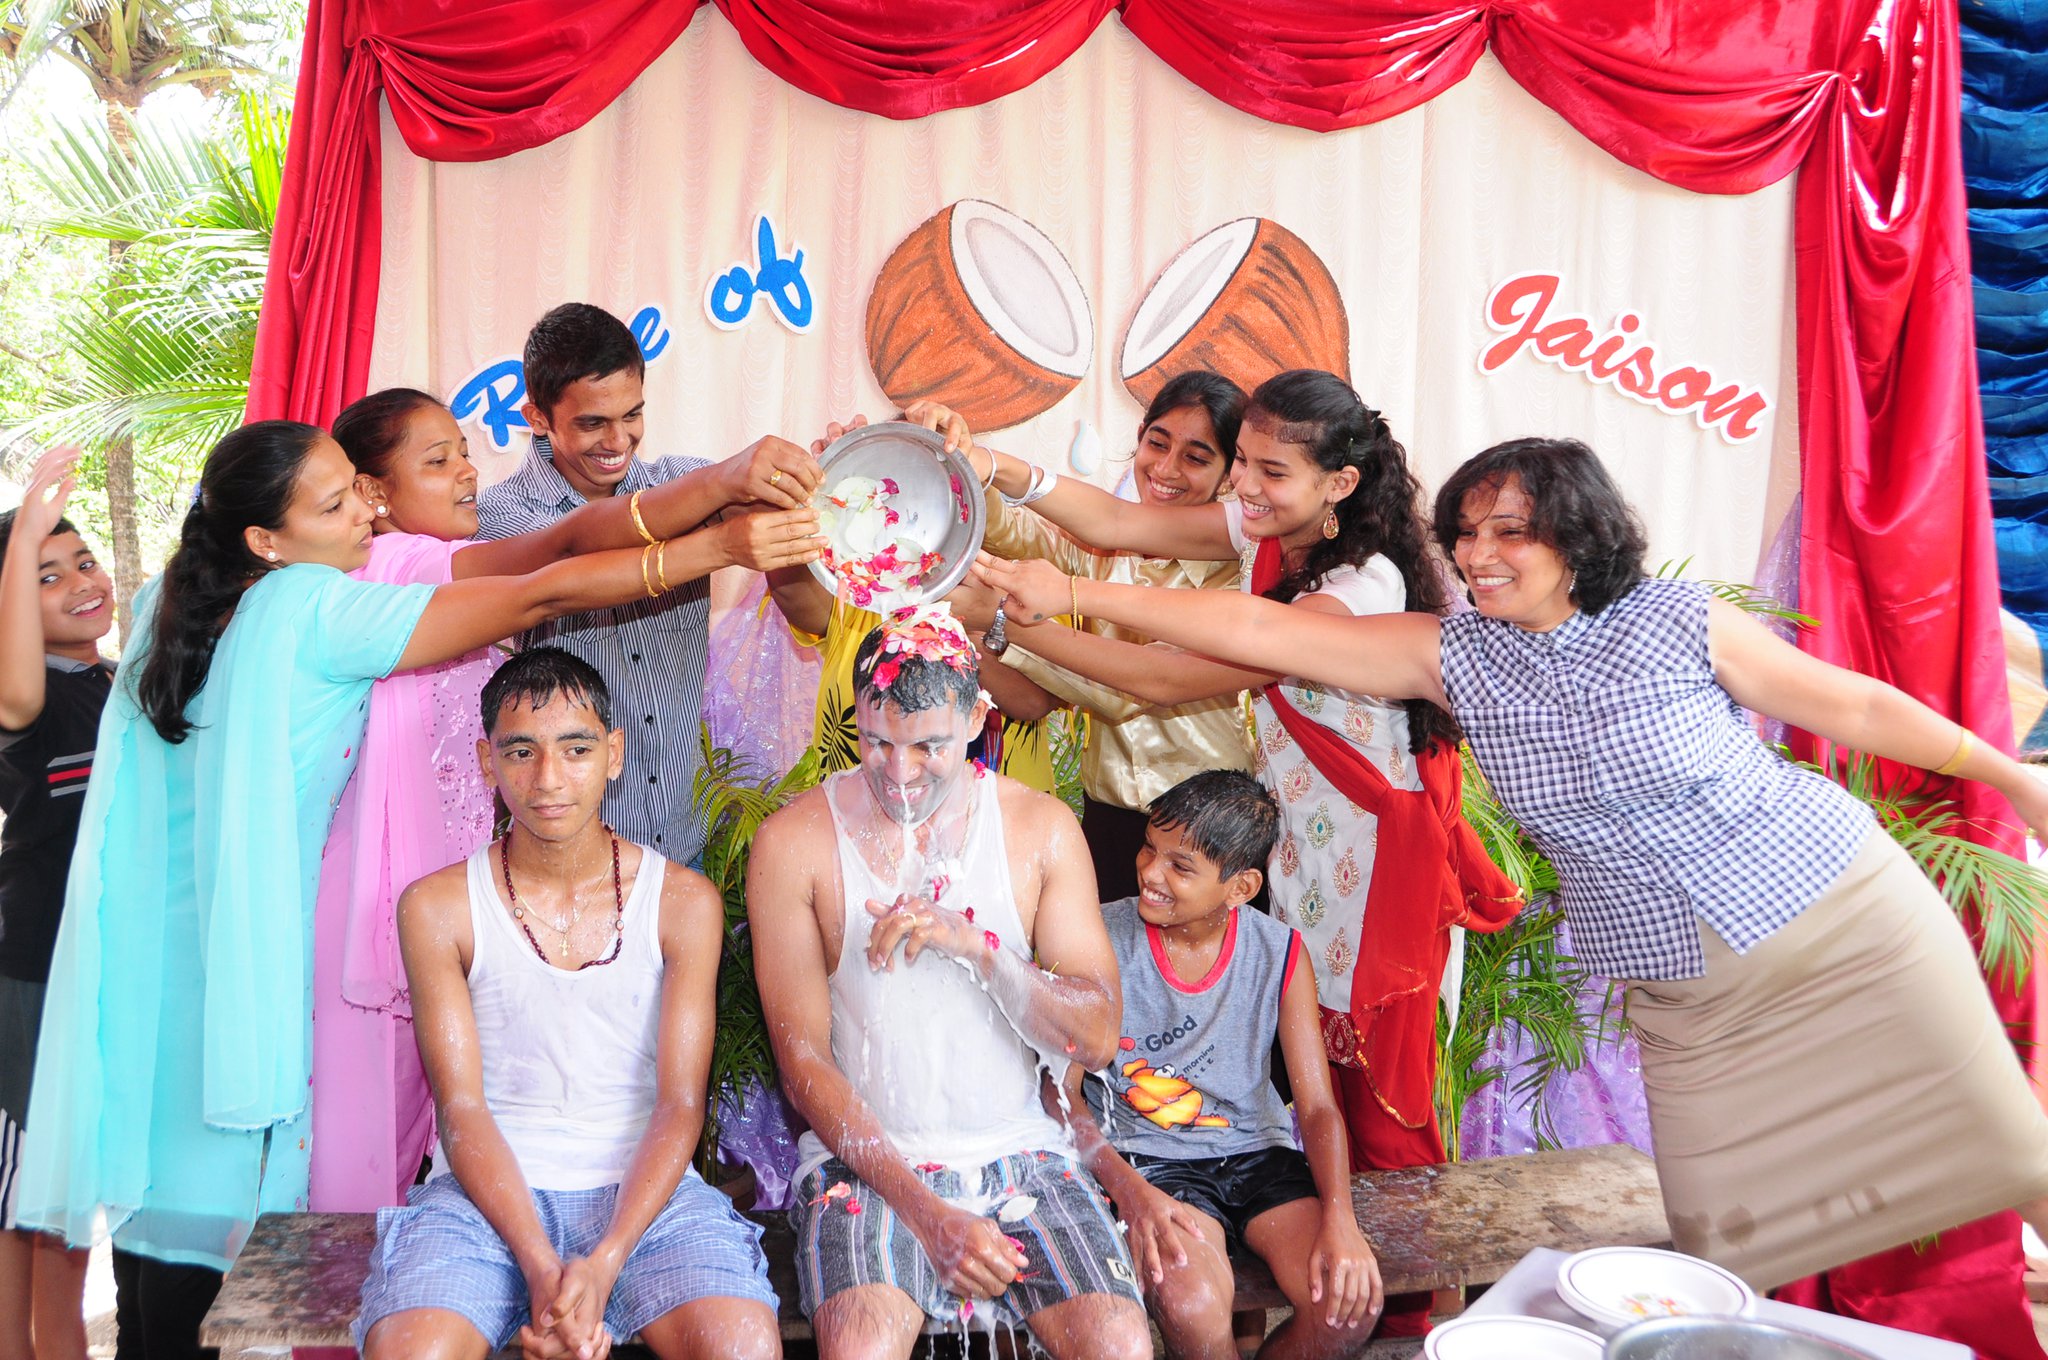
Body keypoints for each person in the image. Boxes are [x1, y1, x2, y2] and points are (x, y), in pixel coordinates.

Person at [979, 434, 2048, 1291]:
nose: (1478, 553)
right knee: (1728, 1240)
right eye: (1464, 533)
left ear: (1577, 533)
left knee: (2010, 1145)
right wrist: (1072, 594)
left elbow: (1856, 707)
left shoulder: (1677, 618)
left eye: (1509, 531)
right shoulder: (1451, 654)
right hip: (1691, 998)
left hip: (1838, 916)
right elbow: (1249, 628)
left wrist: (2011, 777)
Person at [16, 419, 748, 1360]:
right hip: (267, 977)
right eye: (336, 504)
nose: (366, 509)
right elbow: (543, 589)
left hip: (156, 982)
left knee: (166, 1248)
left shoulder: (166, 604)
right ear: (265, 541)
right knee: (271, 1233)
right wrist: (717, 548)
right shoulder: (317, 607)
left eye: (357, 487)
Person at [963, 370, 1519, 1336]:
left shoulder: (1357, 590)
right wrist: (989, 463)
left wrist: (1033, 617)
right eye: (1245, 465)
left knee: (1376, 1109)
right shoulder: (1270, 533)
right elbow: (1119, 522)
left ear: (1340, 484)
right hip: (1293, 862)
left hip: (1374, 877)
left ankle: (1399, 1326)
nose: (1244, 488)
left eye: (1270, 471)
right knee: (1300, 1081)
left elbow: (1162, 678)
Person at [312, 387, 822, 1216]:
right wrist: (721, 537)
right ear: (373, 493)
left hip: (460, 898)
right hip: (393, 905)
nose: (466, 473)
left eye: (463, 452)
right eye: (438, 461)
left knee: (437, 1126)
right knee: (370, 1154)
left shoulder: (434, 562)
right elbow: (560, 564)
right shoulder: (395, 562)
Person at [745, 605, 1149, 1359]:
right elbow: (803, 1066)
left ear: (977, 721)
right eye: (876, 742)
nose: (899, 775)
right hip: (867, 1160)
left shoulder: (1040, 828)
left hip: (1025, 1149)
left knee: (1120, 1344)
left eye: (929, 747)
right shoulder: (792, 842)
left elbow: (1095, 1037)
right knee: (860, 1346)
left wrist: (978, 948)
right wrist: (928, 1215)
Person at [354, 648, 779, 1360]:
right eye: (521, 752)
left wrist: (606, 1259)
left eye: (576, 750)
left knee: (744, 1347)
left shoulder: (681, 902)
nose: (548, 779)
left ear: (614, 754)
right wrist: (539, 1266)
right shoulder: (438, 907)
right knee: (409, 1352)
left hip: (646, 1196)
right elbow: (460, 1109)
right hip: (484, 1198)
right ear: (487, 762)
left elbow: (680, 1104)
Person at [1065, 769, 1383, 1359]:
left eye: (1180, 867)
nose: (1150, 873)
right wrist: (1129, 1192)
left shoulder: (1280, 952)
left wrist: (1342, 1219)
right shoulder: (1098, 937)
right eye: (1149, 848)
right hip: (1151, 1161)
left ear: (1240, 888)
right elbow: (1060, 1095)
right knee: (1190, 1306)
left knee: (1346, 1308)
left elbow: (1316, 1107)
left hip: (1259, 1155)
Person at [970, 374, 1257, 901]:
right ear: (1140, 437)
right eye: (1157, 443)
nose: (1166, 469)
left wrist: (999, 624)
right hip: (1107, 818)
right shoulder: (1099, 545)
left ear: (1229, 477)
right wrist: (956, 464)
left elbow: (1132, 688)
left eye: (1196, 458)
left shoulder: (1239, 578)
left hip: (1210, 831)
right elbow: (1010, 531)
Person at [478, 302, 742, 863]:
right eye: (593, 423)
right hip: (568, 855)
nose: (619, 440)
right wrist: (715, 538)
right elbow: (581, 560)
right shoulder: (499, 522)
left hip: (686, 841)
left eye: (633, 415)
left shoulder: (686, 485)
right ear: (538, 418)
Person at [766, 409, 1063, 795]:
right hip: (859, 810)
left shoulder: (1028, 582)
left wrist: (960, 610)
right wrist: (808, 500)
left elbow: (1032, 701)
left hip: (996, 815)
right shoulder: (861, 594)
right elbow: (793, 594)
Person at [0, 448, 103, 1360]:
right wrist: (25, 523)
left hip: (99, 971)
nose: (81, 582)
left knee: (65, 1198)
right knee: (33, 1199)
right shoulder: (24, 703)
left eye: (83, 561)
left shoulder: (117, 686)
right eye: (46, 575)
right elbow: (17, 689)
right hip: (34, 969)